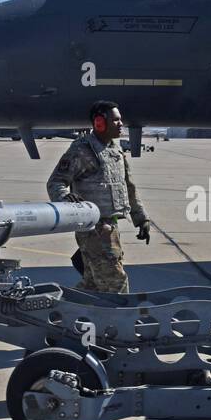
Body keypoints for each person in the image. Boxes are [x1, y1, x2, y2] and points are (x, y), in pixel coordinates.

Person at [46, 101, 151, 294]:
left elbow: (129, 187)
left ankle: (64, 314)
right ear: (100, 123)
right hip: (93, 229)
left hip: (111, 227)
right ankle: (120, 321)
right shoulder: (82, 150)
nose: (121, 124)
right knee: (115, 285)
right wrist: (64, 198)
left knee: (92, 285)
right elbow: (56, 182)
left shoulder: (116, 151)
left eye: (121, 120)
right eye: (116, 120)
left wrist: (141, 219)